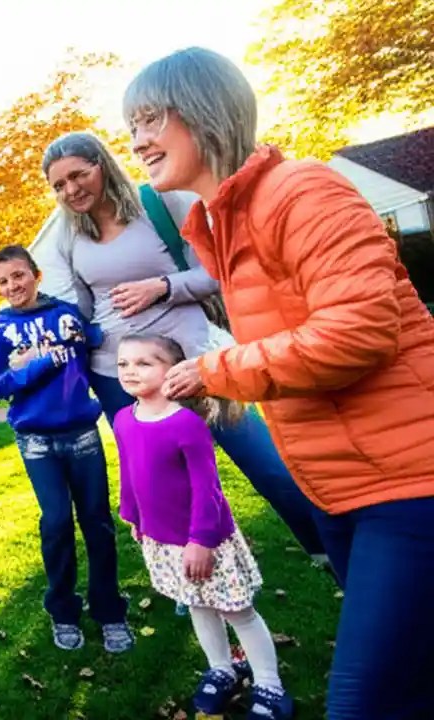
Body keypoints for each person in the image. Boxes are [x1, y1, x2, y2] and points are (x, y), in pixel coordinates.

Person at [124, 46, 434, 720]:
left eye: (150, 119)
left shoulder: (302, 191)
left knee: (364, 704)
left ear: (204, 113)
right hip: (345, 491)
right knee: (412, 688)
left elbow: (359, 331)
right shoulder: (222, 225)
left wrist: (214, 370)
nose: (138, 141)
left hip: (411, 486)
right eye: (132, 126)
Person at [30, 132, 328, 568]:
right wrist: (56, 328)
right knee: (162, 487)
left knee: (265, 463)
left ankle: (330, 552)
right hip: (121, 379)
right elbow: (83, 310)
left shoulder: (160, 204)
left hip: (195, 359)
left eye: (79, 175)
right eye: (58, 185)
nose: (71, 190)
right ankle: (185, 573)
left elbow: (216, 271)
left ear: (103, 165)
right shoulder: (65, 237)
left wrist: (163, 287)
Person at [114, 334, 293, 720]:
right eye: (123, 363)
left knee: (237, 610)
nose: (130, 371)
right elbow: (128, 471)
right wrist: (134, 516)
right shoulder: (124, 419)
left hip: (203, 538)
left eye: (144, 363)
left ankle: (269, 685)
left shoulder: (186, 424)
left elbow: (207, 489)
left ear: (173, 371)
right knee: (197, 604)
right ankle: (222, 669)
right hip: (162, 540)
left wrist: (201, 540)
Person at [0, 246, 134, 654]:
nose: (13, 286)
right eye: (3, 282)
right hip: (37, 443)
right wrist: (35, 365)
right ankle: (63, 610)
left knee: (98, 522)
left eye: (18, 276)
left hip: (82, 435)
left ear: (35, 274)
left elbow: (94, 341)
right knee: (57, 523)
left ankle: (110, 610)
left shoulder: (65, 314)